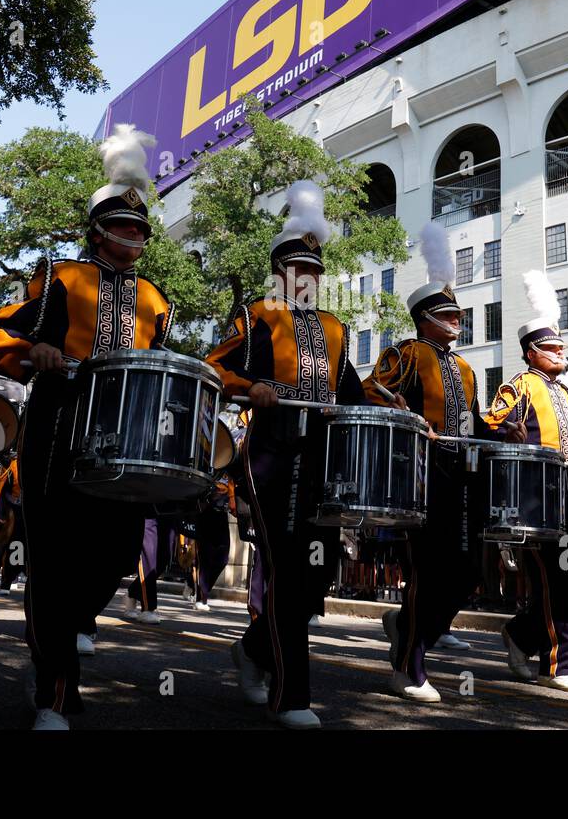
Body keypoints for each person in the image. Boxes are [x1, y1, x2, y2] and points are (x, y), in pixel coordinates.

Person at [0, 124, 172, 730]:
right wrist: (36, 351)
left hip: (123, 445)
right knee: (54, 563)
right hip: (57, 432)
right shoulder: (61, 277)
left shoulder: (157, 300)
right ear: (100, 230)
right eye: (123, 225)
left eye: (139, 228)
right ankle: (54, 693)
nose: (133, 236)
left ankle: (60, 632)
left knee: (114, 555)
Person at [205, 179, 365, 729]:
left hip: (321, 457)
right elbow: (213, 367)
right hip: (272, 451)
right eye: (298, 270)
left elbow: (353, 398)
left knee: (315, 576)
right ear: (280, 273)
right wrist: (251, 387)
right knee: (288, 570)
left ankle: (251, 650)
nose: (308, 279)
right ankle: (291, 695)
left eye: (315, 272)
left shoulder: (336, 327)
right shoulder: (258, 317)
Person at [364, 221, 487, 702]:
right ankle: (408, 668)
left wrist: (503, 430)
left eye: (457, 313)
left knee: (467, 572)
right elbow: (373, 391)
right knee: (428, 571)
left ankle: (407, 628)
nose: (456, 319)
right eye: (447, 313)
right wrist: (410, 418)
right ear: (424, 317)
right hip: (420, 474)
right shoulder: (407, 352)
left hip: (462, 475)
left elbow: (473, 420)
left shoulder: (467, 368)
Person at [483, 270, 568, 694]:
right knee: (553, 580)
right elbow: (491, 424)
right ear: (530, 353)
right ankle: (560, 665)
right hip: (536, 496)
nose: (558, 352)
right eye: (550, 347)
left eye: (560, 346)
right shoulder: (519, 385)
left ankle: (520, 635)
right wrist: (505, 433)